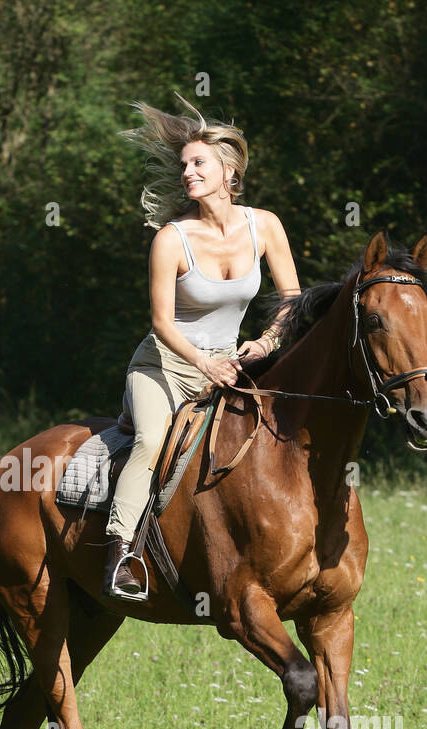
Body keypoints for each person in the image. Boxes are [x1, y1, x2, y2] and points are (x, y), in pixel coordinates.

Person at [104, 97, 301, 601]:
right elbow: (162, 323)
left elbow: (292, 300)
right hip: (165, 366)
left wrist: (269, 340)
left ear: (228, 171)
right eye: (185, 164)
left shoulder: (266, 226)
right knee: (151, 442)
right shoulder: (172, 239)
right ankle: (121, 552)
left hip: (233, 365)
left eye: (199, 164)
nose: (187, 172)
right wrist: (203, 362)